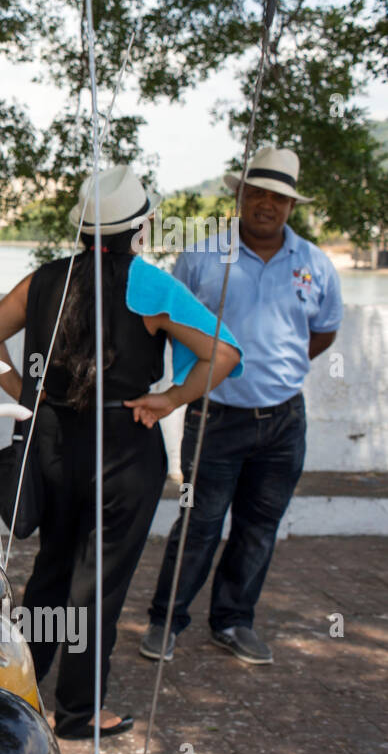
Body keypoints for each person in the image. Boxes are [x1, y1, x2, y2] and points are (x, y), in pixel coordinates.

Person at [0, 166, 243, 739]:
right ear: (141, 227)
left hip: (52, 445)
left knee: (51, 574)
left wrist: (27, 391)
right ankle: (77, 713)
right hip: (124, 448)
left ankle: (15, 694)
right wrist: (170, 399)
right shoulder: (150, 285)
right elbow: (223, 354)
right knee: (98, 584)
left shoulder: (44, 280)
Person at [141, 147, 343, 666]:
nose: (266, 204)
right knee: (199, 524)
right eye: (257, 193)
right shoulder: (202, 257)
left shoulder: (316, 264)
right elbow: (171, 327)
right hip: (215, 417)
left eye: (278, 197)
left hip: (284, 421)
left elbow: (322, 333)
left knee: (258, 528)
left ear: (291, 207)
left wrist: (279, 367)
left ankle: (233, 621)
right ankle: (165, 621)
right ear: (240, 196)